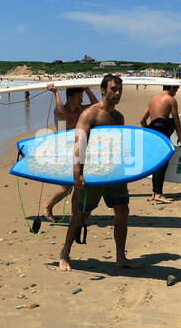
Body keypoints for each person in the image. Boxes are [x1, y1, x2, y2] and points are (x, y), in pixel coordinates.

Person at [60, 74, 131, 271]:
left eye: (119, 90)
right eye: (113, 89)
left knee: (123, 210)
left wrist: (125, 169)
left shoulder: (119, 117)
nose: (117, 93)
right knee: (80, 215)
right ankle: (65, 253)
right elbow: (79, 144)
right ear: (103, 90)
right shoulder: (90, 114)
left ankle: (120, 256)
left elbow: (118, 145)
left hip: (114, 172)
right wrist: (78, 172)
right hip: (93, 172)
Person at [42, 84, 98, 220]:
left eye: (82, 97)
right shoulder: (61, 113)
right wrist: (55, 92)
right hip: (64, 152)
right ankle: (49, 206)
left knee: (78, 185)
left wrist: (87, 90)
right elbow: (60, 110)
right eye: (79, 97)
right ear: (70, 98)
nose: (81, 100)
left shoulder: (81, 110)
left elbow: (96, 106)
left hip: (79, 151)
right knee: (68, 187)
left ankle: (75, 214)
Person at [141, 84, 181, 204]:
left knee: (156, 162)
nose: (176, 92)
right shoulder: (171, 99)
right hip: (163, 130)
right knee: (163, 162)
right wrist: (180, 137)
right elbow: (176, 120)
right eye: (176, 90)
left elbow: (142, 120)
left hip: (153, 129)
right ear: (172, 88)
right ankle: (158, 194)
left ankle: (154, 193)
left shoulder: (153, 100)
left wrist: (149, 132)